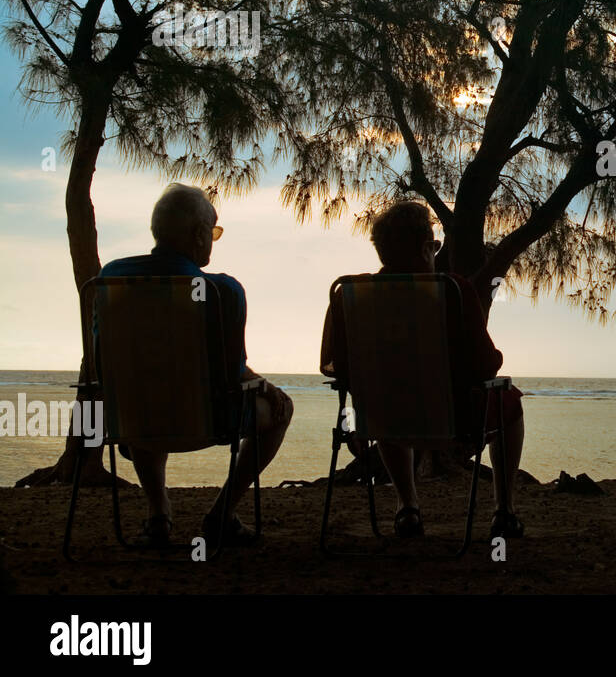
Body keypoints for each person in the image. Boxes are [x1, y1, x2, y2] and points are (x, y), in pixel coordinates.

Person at [99, 183, 294, 546]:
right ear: (199, 234)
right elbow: (232, 373)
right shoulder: (221, 291)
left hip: (130, 419)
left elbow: (104, 362)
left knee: (144, 388)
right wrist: (266, 386)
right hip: (208, 420)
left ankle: (158, 515)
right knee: (282, 408)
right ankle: (222, 514)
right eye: (214, 231)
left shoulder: (111, 279)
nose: (214, 240)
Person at [320, 200, 525, 540]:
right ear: (425, 248)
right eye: (433, 245)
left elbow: (335, 369)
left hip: (381, 419)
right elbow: (487, 366)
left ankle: (407, 508)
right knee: (512, 401)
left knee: (386, 400)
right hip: (453, 422)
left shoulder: (351, 297)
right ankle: (504, 511)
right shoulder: (453, 292)